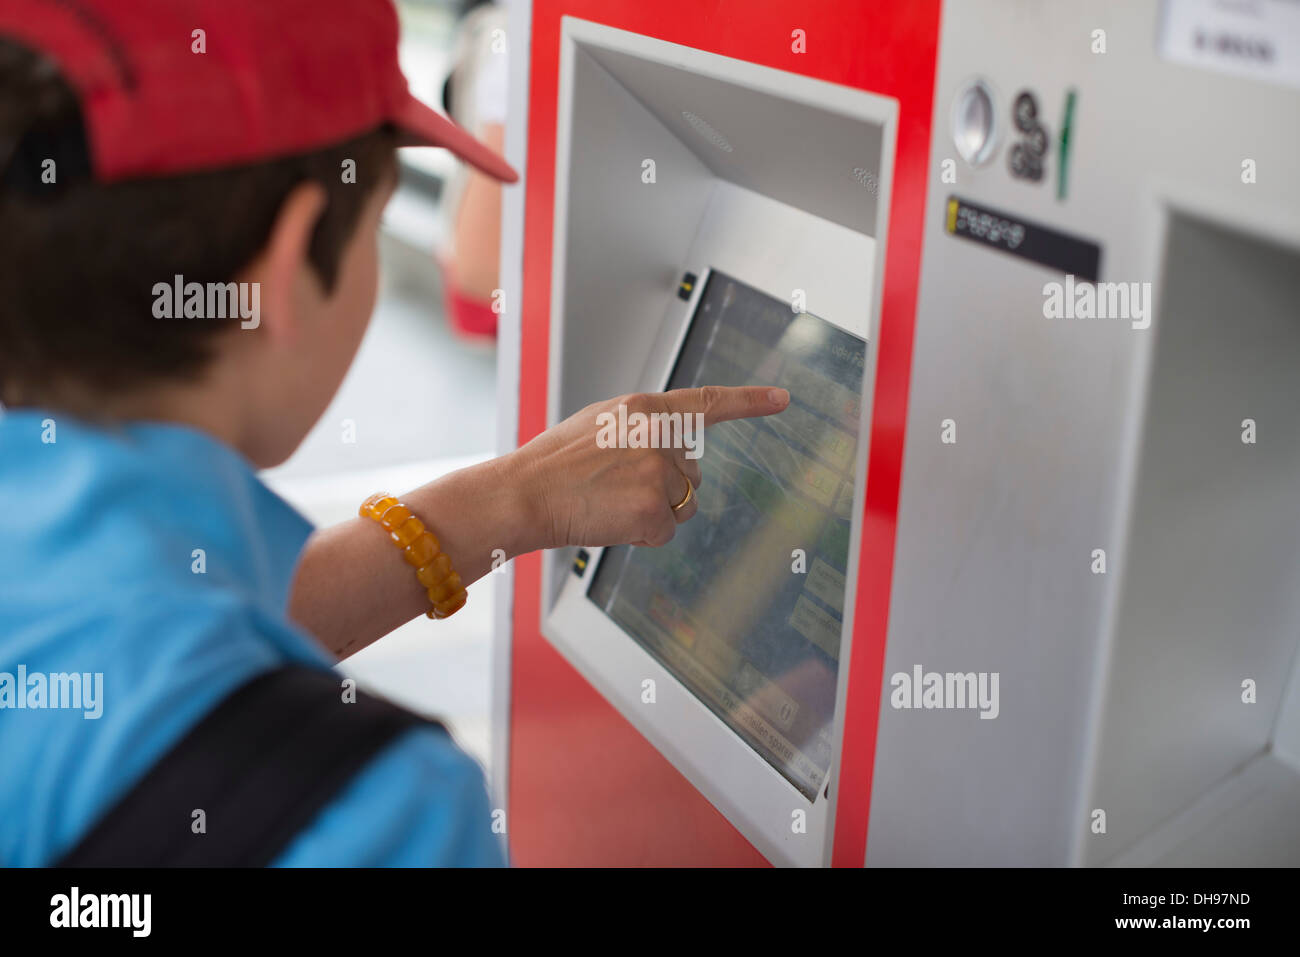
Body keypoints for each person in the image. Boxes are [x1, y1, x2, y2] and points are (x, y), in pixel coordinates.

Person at [0, 0, 788, 867]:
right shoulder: (375, 815)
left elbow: (135, 644)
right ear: (288, 263)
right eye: (373, 224)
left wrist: (516, 497)